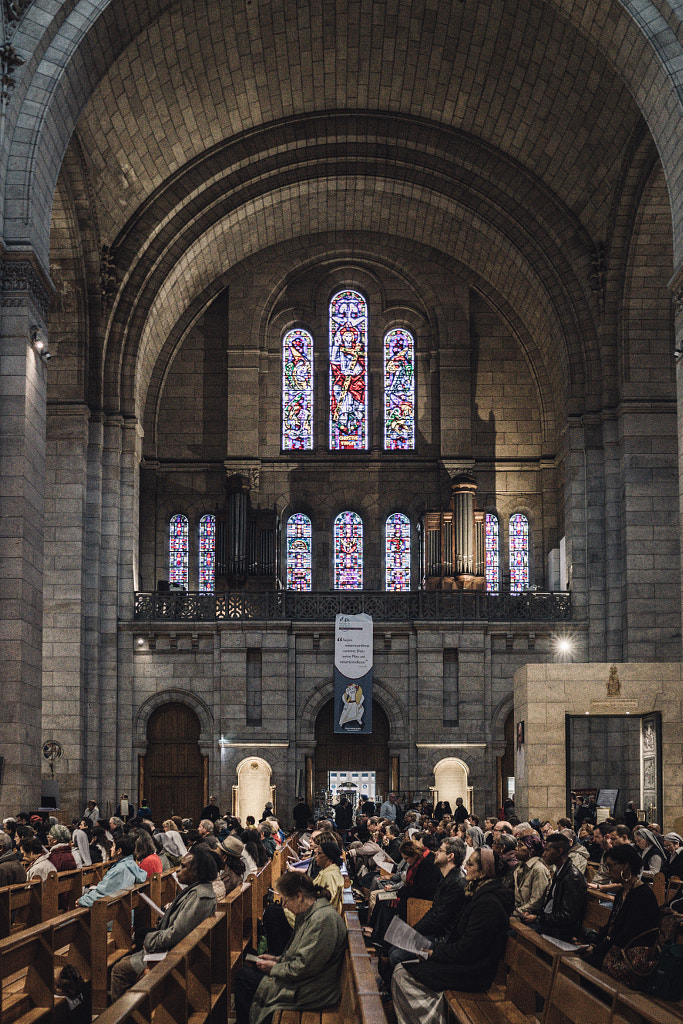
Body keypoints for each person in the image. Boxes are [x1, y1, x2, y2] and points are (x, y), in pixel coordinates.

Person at [391, 848, 513, 1023]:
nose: (466, 866)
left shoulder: (489, 904)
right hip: (467, 963)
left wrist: (435, 953)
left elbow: (469, 948)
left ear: (483, 871)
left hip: (474, 972)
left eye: (470, 864)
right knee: (402, 969)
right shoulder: (480, 895)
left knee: (402, 974)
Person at [234, 870, 348, 1024]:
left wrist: (273, 968)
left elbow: (304, 967)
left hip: (313, 990)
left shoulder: (323, 920)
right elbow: (303, 956)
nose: (285, 907)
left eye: (285, 901)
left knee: (244, 978)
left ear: (299, 896)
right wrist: (275, 959)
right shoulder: (312, 914)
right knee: (247, 973)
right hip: (306, 981)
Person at [111, 846, 218, 999]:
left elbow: (177, 933)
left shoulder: (200, 897)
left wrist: (149, 941)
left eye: (183, 867)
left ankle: (124, 1016)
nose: (178, 870)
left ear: (196, 872)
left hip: (176, 956)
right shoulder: (197, 891)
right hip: (176, 950)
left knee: (119, 970)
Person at [582, 843, 660, 979]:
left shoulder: (642, 895)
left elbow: (628, 934)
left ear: (625, 865)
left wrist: (597, 949)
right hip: (617, 949)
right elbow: (612, 927)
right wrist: (595, 945)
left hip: (631, 957)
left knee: (584, 966)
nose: (608, 871)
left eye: (611, 866)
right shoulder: (623, 891)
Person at [518, 832, 586, 941]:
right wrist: (535, 914)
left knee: (514, 934)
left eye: (547, 850)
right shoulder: (560, 871)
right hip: (549, 924)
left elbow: (568, 916)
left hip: (559, 931)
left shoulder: (573, 877)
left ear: (559, 852)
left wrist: (538, 918)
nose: (543, 854)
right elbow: (550, 904)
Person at [512, 831, 551, 919]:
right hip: (519, 912)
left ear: (531, 850)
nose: (516, 848)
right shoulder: (520, 867)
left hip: (531, 916)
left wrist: (516, 912)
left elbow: (536, 901)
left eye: (521, 845)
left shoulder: (538, 869)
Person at [312, 841, 344, 912]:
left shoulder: (330, 875)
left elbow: (329, 901)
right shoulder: (327, 871)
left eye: (319, 853)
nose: (316, 856)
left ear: (329, 857)